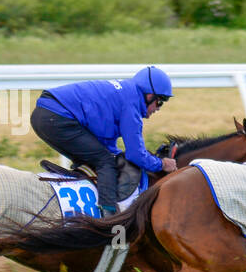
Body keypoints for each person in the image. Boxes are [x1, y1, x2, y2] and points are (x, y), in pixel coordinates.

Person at [31, 66, 177, 216]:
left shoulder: (126, 95)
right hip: (57, 117)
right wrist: (161, 164)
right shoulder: (131, 105)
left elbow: (106, 142)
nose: (158, 108)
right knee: (105, 162)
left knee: (96, 158)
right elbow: (135, 155)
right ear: (149, 95)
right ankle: (109, 217)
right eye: (160, 102)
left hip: (45, 114)